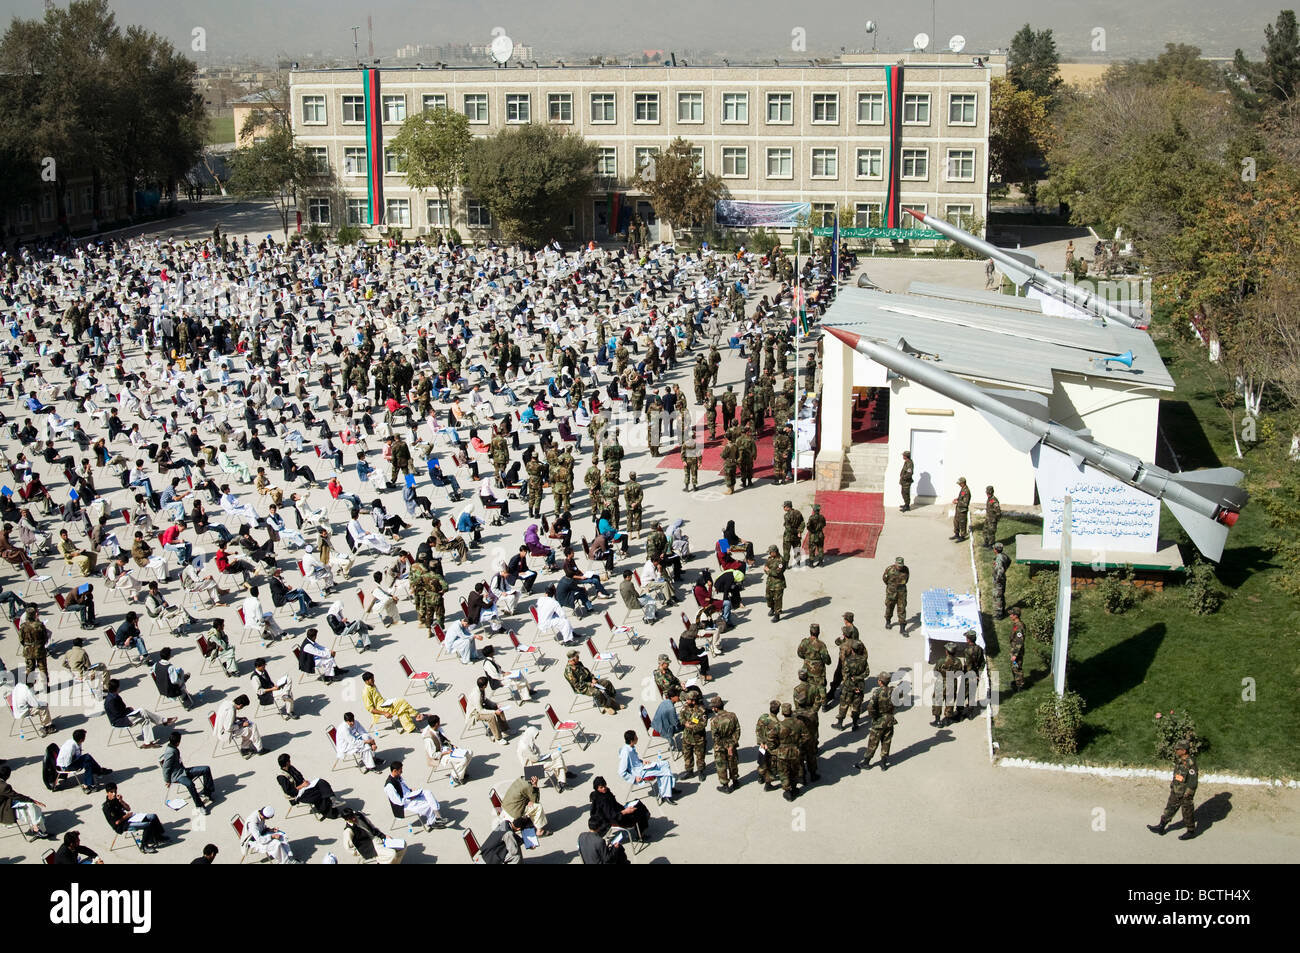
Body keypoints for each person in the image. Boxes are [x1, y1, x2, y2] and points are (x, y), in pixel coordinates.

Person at [1148, 741, 1199, 840]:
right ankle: (1161, 826)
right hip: (1176, 789)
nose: (1176, 751)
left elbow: (1193, 781)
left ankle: (1191, 831)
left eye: (1178, 749)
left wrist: (1188, 793)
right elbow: (1177, 774)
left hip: (1185, 793)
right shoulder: (1180, 760)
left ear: (1184, 751)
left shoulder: (1190, 763)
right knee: (1170, 808)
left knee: (1187, 812)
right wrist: (1173, 784)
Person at [104, 678, 175, 747]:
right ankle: (163, 721)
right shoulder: (111, 701)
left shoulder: (113, 696)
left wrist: (128, 710)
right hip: (120, 721)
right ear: (116, 688)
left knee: (145, 718)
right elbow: (118, 714)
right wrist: (129, 710)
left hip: (123, 716)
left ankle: (148, 742)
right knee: (142, 711)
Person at [159, 731, 215, 814]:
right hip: (178, 775)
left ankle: (207, 793)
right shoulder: (170, 752)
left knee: (206, 769)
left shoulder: (174, 748)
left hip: (183, 771)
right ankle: (199, 805)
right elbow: (166, 768)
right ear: (178, 742)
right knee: (190, 784)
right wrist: (167, 780)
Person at [102, 783, 168, 853]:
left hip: (129, 818)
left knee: (153, 817)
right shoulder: (107, 807)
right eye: (111, 792)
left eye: (115, 791)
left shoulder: (116, 799)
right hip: (122, 825)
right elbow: (116, 822)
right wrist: (126, 817)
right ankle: (143, 846)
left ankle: (158, 837)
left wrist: (121, 801)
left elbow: (128, 808)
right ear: (107, 793)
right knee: (147, 825)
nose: (114, 794)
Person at [383, 760, 449, 830]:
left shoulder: (398, 777)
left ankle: (437, 816)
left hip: (410, 795)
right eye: (400, 770)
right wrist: (411, 797)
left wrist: (412, 791)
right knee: (427, 804)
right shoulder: (389, 786)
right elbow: (399, 802)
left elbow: (404, 788)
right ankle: (432, 823)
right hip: (405, 804)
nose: (402, 772)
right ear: (395, 771)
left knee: (427, 792)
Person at [276, 753, 343, 820]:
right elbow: (290, 791)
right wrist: (302, 786)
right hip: (297, 795)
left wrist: (305, 783)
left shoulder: (291, 768)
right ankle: (331, 814)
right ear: (287, 762)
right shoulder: (281, 777)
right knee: (319, 793)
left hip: (305, 787)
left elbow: (300, 776)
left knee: (321, 782)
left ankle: (333, 800)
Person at [618, 730, 676, 804]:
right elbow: (621, 771)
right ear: (632, 741)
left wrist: (642, 761)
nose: (637, 738)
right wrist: (634, 778)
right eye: (636, 737)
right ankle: (665, 795)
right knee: (665, 771)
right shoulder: (626, 752)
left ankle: (670, 787)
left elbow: (634, 760)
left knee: (665, 763)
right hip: (640, 772)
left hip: (642, 766)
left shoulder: (631, 747)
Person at [854, 672, 897, 771]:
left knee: (873, 741)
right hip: (890, 720)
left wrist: (874, 717)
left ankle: (866, 762)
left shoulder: (877, 692)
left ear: (880, 682)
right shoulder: (894, 691)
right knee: (887, 741)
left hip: (879, 721)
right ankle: (883, 763)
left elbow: (870, 707)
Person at [589, 775, 651, 839]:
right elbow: (611, 816)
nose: (604, 788)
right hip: (617, 819)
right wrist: (625, 811)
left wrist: (625, 808)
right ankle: (641, 835)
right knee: (639, 813)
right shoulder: (603, 801)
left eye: (604, 786)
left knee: (637, 803)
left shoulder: (605, 793)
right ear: (597, 788)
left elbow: (614, 804)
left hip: (618, 812)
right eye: (601, 787)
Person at [0, 763, 49, 838]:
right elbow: (16, 796)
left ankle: (36, 827)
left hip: (4, 802)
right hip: (3, 810)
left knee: (32, 808)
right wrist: (33, 800)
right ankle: (37, 828)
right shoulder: (3, 786)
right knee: (31, 806)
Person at [422, 716, 472, 784]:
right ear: (436, 724)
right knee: (464, 759)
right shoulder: (428, 739)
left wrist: (451, 745)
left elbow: (443, 740)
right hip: (442, 755)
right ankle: (455, 776)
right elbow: (433, 755)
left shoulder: (438, 729)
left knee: (469, 752)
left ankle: (460, 773)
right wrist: (446, 752)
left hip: (448, 749)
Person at [516, 724, 566, 791]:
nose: (536, 738)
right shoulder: (525, 746)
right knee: (557, 758)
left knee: (558, 755)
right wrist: (539, 755)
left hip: (534, 761)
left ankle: (562, 778)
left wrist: (538, 754)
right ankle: (562, 779)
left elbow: (537, 753)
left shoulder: (526, 740)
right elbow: (535, 758)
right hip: (531, 767)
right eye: (535, 736)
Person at [709, 696, 741, 793]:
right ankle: (735, 781)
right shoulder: (732, 716)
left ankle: (725, 786)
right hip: (732, 744)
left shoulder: (714, 720)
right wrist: (731, 745)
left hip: (720, 747)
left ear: (716, 708)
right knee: (733, 763)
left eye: (713, 707)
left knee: (721, 765)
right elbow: (737, 731)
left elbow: (715, 737)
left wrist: (725, 746)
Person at [882, 556, 909, 634]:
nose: (900, 567)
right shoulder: (889, 569)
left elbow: (906, 580)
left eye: (901, 566)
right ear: (895, 564)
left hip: (902, 592)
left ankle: (902, 628)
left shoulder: (906, 569)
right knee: (889, 607)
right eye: (899, 565)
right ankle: (888, 621)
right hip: (891, 592)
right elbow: (885, 579)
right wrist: (891, 586)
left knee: (902, 609)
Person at [991, 543, 1011, 618]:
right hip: (1002, 579)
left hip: (999, 580)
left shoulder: (999, 559)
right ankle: (1002, 610)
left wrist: (997, 579)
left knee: (997, 596)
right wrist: (1006, 568)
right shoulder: (1004, 555)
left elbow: (1000, 570)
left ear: (995, 550)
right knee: (1001, 595)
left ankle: (999, 614)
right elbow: (1009, 561)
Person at [951, 477, 971, 541]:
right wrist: (957, 499)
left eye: (960, 483)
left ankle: (962, 536)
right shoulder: (962, 489)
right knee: (956, 521)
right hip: (959, 509)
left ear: (963, 483)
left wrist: (957, 502)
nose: (959, 485)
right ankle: (956, 534)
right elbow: (961, 498)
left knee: (962, 523)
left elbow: (965, 503)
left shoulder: (966, 491)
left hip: (962, 510)